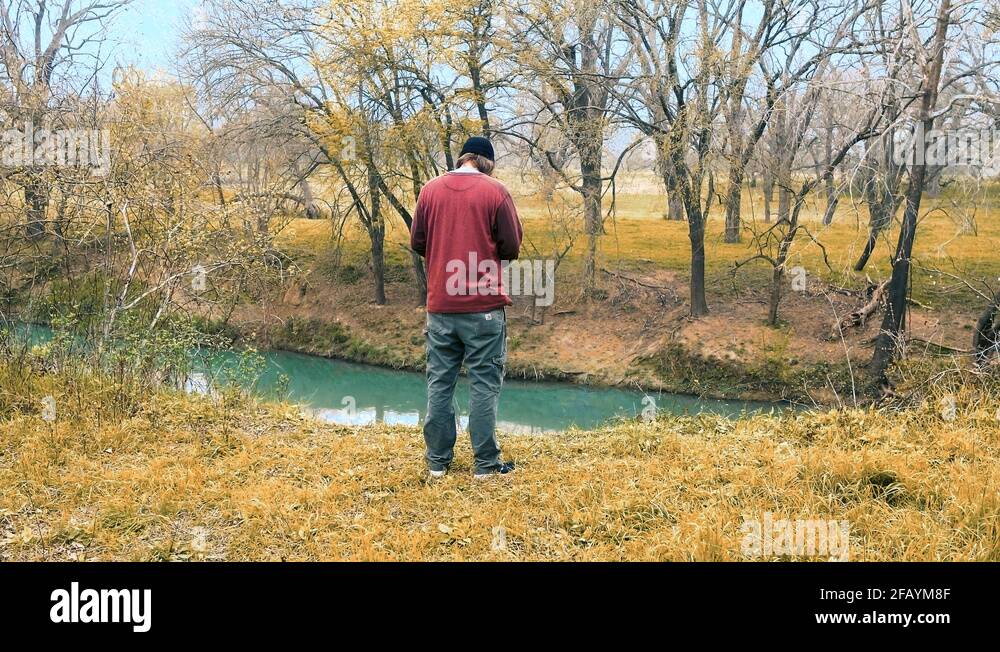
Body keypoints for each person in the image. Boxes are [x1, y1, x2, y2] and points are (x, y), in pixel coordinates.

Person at [410, 136, 523, 479]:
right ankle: (485, 465)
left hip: (441, 306)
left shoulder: (429, 190)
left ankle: (437, 463)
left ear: (462, 158)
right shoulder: (496, 192)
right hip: (484, 309)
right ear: (485, 162)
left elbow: (418, 242)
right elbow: (512, 246)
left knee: (440, 383)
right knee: (484, 384)